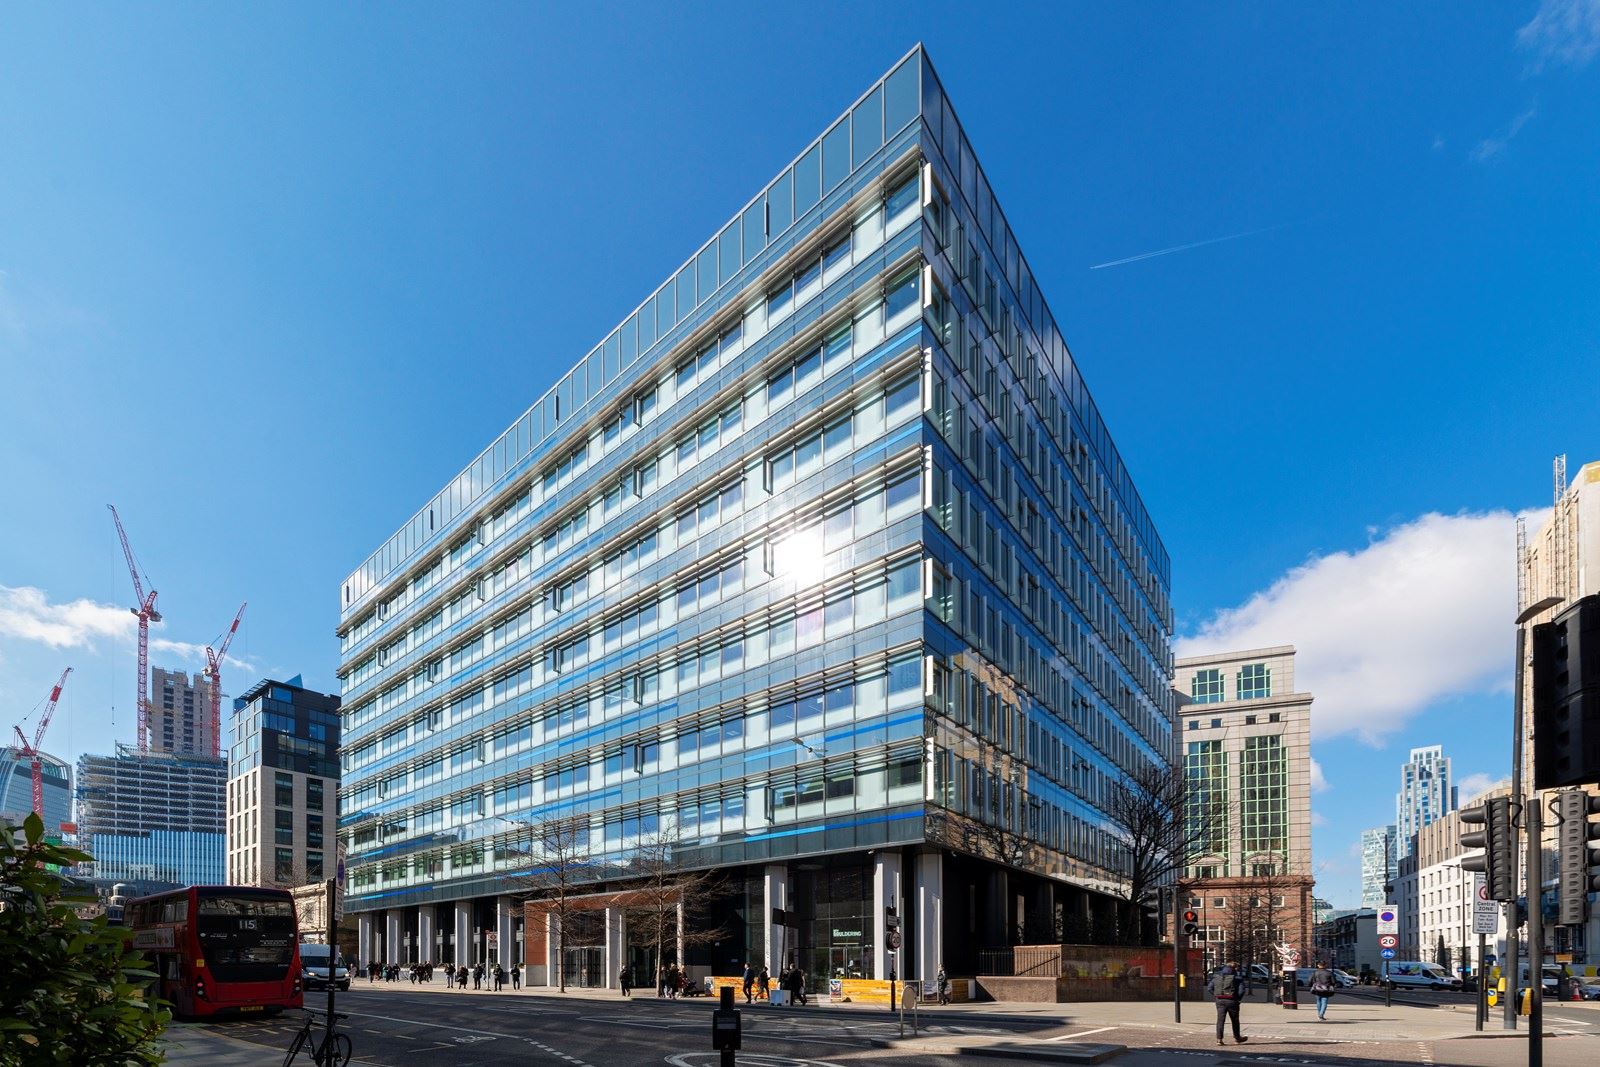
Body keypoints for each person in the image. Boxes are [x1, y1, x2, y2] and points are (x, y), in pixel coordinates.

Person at [1211, 961, 1249, 1046]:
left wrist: (1217, 996)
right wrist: (1238, 999)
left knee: (1220, 1020)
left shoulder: (1217, 976)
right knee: (1235, 1020)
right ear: (1235, 968)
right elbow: (1242, 990)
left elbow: (1210, 988)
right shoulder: (1237, 978)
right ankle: (1237, 1038)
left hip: (1220, 1001)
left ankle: (1219, 1039)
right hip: (1232, 1001)